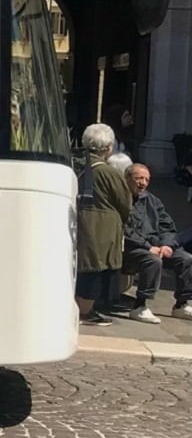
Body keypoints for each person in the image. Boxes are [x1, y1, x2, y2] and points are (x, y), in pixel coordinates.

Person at [75, 123, 133, 327]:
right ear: (108, 147)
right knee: (95, 269)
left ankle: (83, 307)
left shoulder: (76, 164)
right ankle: (85, 311)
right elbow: (125, 202)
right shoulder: (108, 172)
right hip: (101, 228)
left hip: (77, 222)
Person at [123, 164, 192, 322]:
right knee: (152, 260)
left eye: (147, 179)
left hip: (156, 246)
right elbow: (124, 229)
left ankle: (181, 304)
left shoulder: (152, 200)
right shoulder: (122, 199)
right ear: (127, 178)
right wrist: (148, 247)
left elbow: (167, 226)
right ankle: (139, 306)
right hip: (132, 247)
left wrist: (167, 245)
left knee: (185, 258)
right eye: (139, 178)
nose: (143, 183)